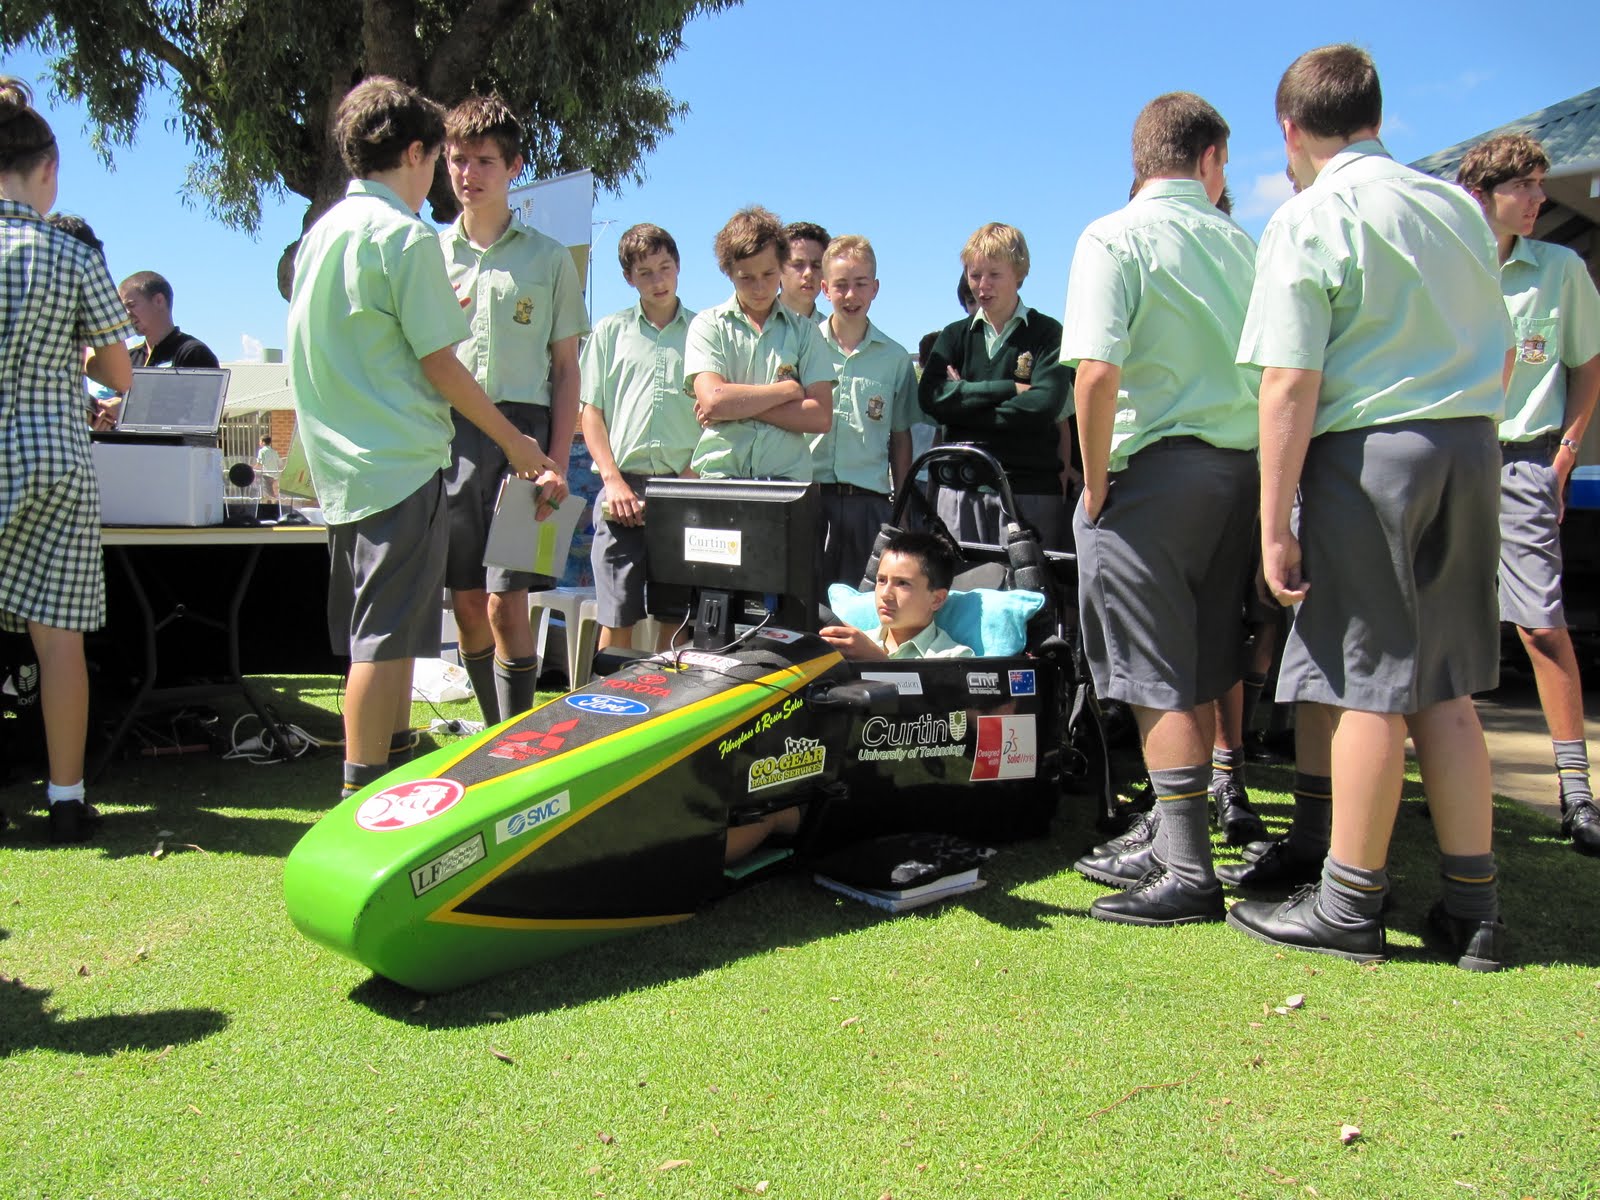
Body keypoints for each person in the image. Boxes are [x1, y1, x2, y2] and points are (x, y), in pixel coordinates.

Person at [1228, 45, 1514, 970]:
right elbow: (1504, 354)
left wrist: (1276, 525)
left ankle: (1349, 903)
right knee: (1446, 688)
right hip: (1473, 445)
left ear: (1290, 129)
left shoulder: (1311, 214)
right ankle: (1473, 910)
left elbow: (1288, 384)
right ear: (1376, 114)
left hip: (1372, 452)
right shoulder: (1457, 209)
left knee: (1366, 688)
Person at [287, 76, 558, 802]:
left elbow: (364, 342)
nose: (449, 174)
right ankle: (362, 795)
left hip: (343, 469)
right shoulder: (405, 236)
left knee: (390, 635)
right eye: (442, 158)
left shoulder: (320, 235)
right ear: (416, 152)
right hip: (399, 464)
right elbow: (444, 366)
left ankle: (391, 765)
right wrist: (518, 444)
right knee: (385, 640)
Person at [1061, 92, 1261, 925]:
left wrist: (1096, 484)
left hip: (1153, 477)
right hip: (1239, 473)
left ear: (1141, 158)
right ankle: (1171, 838)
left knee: (1153, 677)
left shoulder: (1113, 235)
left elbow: (1096, 374)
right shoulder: (1244, 242)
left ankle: (1186, 867)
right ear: (1211, 158)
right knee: (1206, 661)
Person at [1458, 133, 1600, 858]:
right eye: (1528, 186)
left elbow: (1587, 364)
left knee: (1540, 624)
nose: (1541, 199)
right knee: (1450, 626)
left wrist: (1568, 451)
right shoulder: (1449, 261)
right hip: (1454, 455)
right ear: (1486, 191)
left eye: (1543, 185)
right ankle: (1461, 782)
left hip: (1527, 460)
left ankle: (1577, 795)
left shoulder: (1563, 269)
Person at [0, 77, 134, 841]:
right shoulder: (69, 252)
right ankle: (67, 797)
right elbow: (119, 376)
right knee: (59, 642)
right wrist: (67, 352)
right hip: (53, 460)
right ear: (47, 169)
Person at [440, 94, 586, 724]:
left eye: (485, 161)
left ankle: (514, 743)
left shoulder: (550, 259)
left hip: (525, 441)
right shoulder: (427, 256)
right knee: (467, 602)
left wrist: (555, 460)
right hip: (446, 437)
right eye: (458, 160)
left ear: (514, 167)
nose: (469, 175)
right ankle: (490, 730)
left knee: (507, 602)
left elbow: (566, 369)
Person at [918, 223, 1074, 549]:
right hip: (959, 493)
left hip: (1028, 493)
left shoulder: (1048, 334)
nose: (982, 286)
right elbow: (930, 398)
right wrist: (1008, 389)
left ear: (1019, 273)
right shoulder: (953, 336)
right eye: (975, 276)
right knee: (959, 593)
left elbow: (1043, 407)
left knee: (1028, 596)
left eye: (994, 275)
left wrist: (961, 405)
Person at [580, 223, 698, 651]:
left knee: (678, 616)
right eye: (645, 272)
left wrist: (690, 477)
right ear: (629, 278)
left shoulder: (705, 332)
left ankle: (672, 709)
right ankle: (609, 712)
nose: (658, 280)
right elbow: (591, 412)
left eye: (665, 267)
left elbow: (717, 417)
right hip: (621, 492)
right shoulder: (610, 332)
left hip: (686, 488)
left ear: (679, 267)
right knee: (618, 614)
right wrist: (612, 481)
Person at [685, 206, 833, 481]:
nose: (759, 288)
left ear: (781, 267)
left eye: (768, 274)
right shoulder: (708, 325)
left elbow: (821, 417)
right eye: (746, 277)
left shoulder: (805, 332)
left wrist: (737, 407)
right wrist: (787, 390)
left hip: (786, 485)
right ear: (729, 272)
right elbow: (714, 402)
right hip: (720, 479)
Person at [812, 235, 919, 584]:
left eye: (860, 284)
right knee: (805, 605)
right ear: (825, 288)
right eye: (841, 285)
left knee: (863, 607)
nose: (851, 295)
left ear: (875, 288)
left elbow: (900, 438)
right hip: (810, 496)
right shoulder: (804, 346)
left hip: (869, 504)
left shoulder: (896, 358)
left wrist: (901, 510)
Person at [819, 530, 973, 660]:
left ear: (937, 599)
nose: (885, 595)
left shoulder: (953, 657)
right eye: (881, 580)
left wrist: (876, 659)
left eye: (902, 583)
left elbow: (930, 696)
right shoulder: (853, 644)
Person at [117, 271, 220, 368]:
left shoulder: (194, 353)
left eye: (131, 305)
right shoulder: (128, 359)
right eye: (123, 308)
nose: (126, 314)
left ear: (159, 301)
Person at [779, 220, 829, 323]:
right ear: (778, 268)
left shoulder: (831, 335)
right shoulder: (756, 325)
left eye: (816, 265)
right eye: (798, 265)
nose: (808, 273)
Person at [255, 434, 283, 501]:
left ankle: (271, 508)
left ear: (263, 442)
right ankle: (275, 506)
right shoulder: (274, 452)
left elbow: (259, 464)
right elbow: (280, 464)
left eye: (260, 441)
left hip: (266, 476)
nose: (259, 443)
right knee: (273, 493)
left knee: (267, 495)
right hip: (274, 476)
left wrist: (252, 468)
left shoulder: (262, 451)